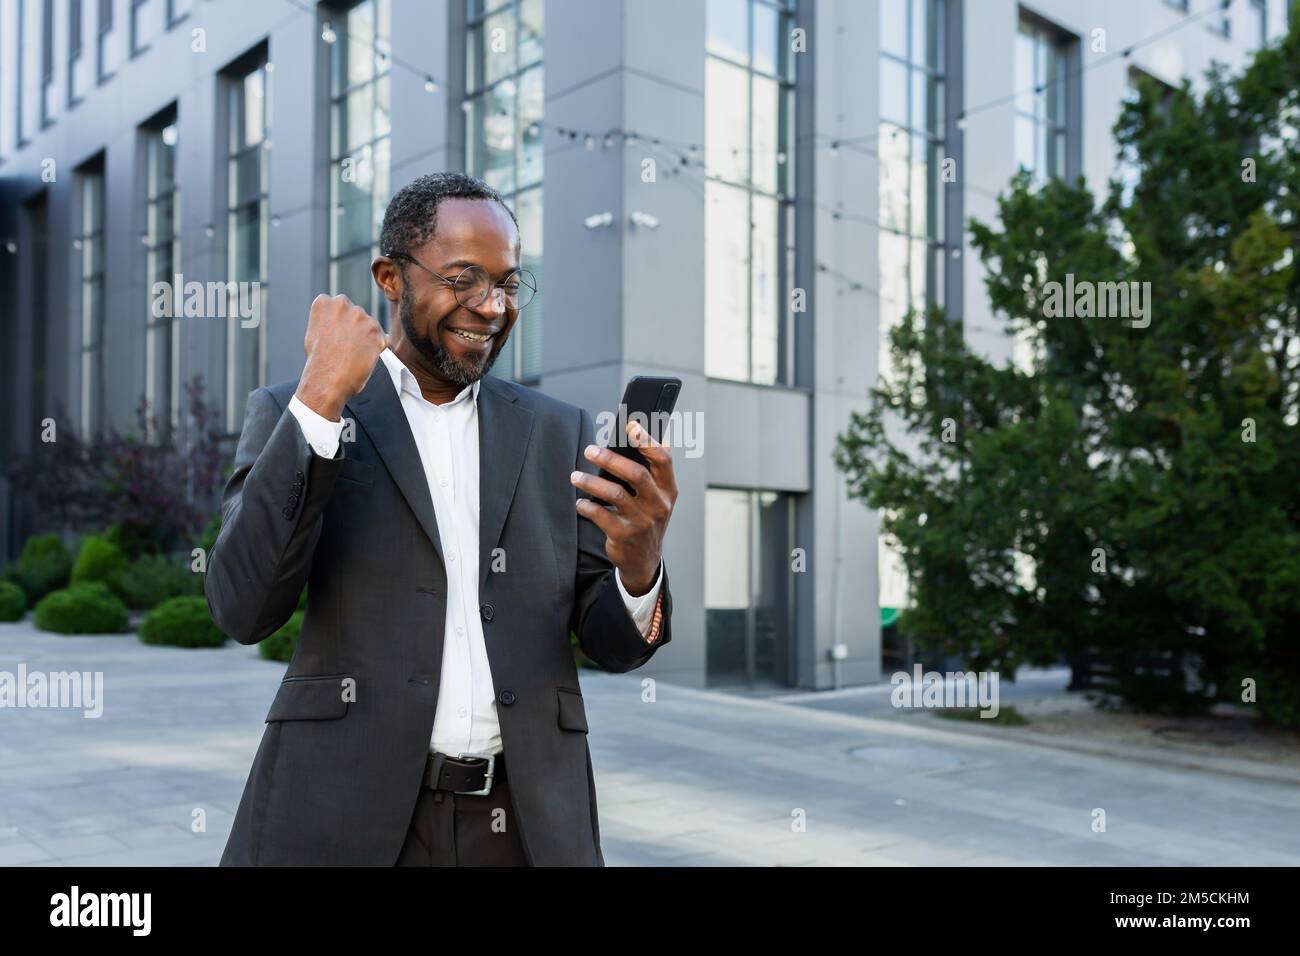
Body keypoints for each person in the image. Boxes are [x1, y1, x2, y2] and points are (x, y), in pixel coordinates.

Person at [207, 172, 677, 866]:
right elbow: (241, 609)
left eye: (509, 284)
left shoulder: (558, 432)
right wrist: (318, 402)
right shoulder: (303, 412)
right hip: (347, 817)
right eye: (463, 279)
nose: (492, 307)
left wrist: (639, 565)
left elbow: (611, 646)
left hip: (524, 825)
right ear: (391, 278)